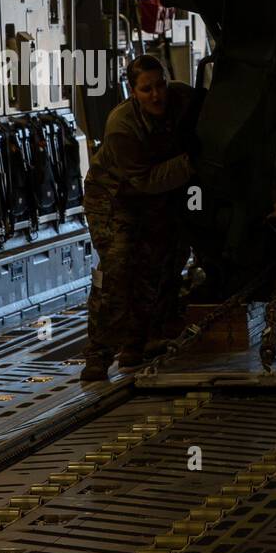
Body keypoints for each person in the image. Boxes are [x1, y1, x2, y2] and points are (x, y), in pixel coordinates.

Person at [81, 55, 196, 381]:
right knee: (118, 266)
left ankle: (137, 343)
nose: (157, 95)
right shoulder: (122, 126)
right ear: (133, 92)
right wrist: (191, 163)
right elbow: (144, 179)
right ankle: (98, 355)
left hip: (156, 197)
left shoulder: (183, 99)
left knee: (160, 261)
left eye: (160, 85)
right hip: (114, 197)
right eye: (147, 90)